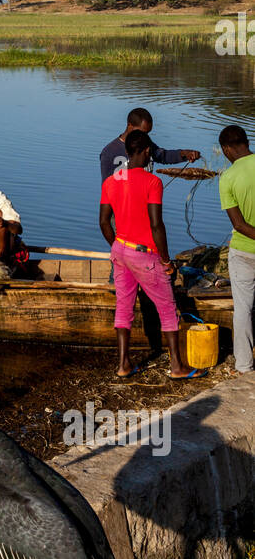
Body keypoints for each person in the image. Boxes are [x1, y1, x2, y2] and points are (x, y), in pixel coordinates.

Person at [99, 130, 203, 380]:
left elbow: (103, 222)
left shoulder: (111, 181)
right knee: (167, 308)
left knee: (123, 307)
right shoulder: (152, 182)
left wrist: (118, 247)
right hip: (144, 255)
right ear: (146, 152)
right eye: (150, 152)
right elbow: (157, 225)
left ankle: (124, 364)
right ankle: (177, 367)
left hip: (120, 251)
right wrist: (166, 261)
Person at [218, 124, 255, 375]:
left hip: (244, 252)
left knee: (243, 309)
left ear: (227, 149)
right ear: (247, 142)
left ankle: (244, 366)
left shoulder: (228, 178)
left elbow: (239, 224)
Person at [99, 107, 200, 183]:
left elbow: (163, 156)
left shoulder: (146, 144)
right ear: (130, 126)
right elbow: (107, 189)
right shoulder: (110, 152)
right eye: (142, 132)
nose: (145, 136)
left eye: (147, 133)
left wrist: (186, 154)